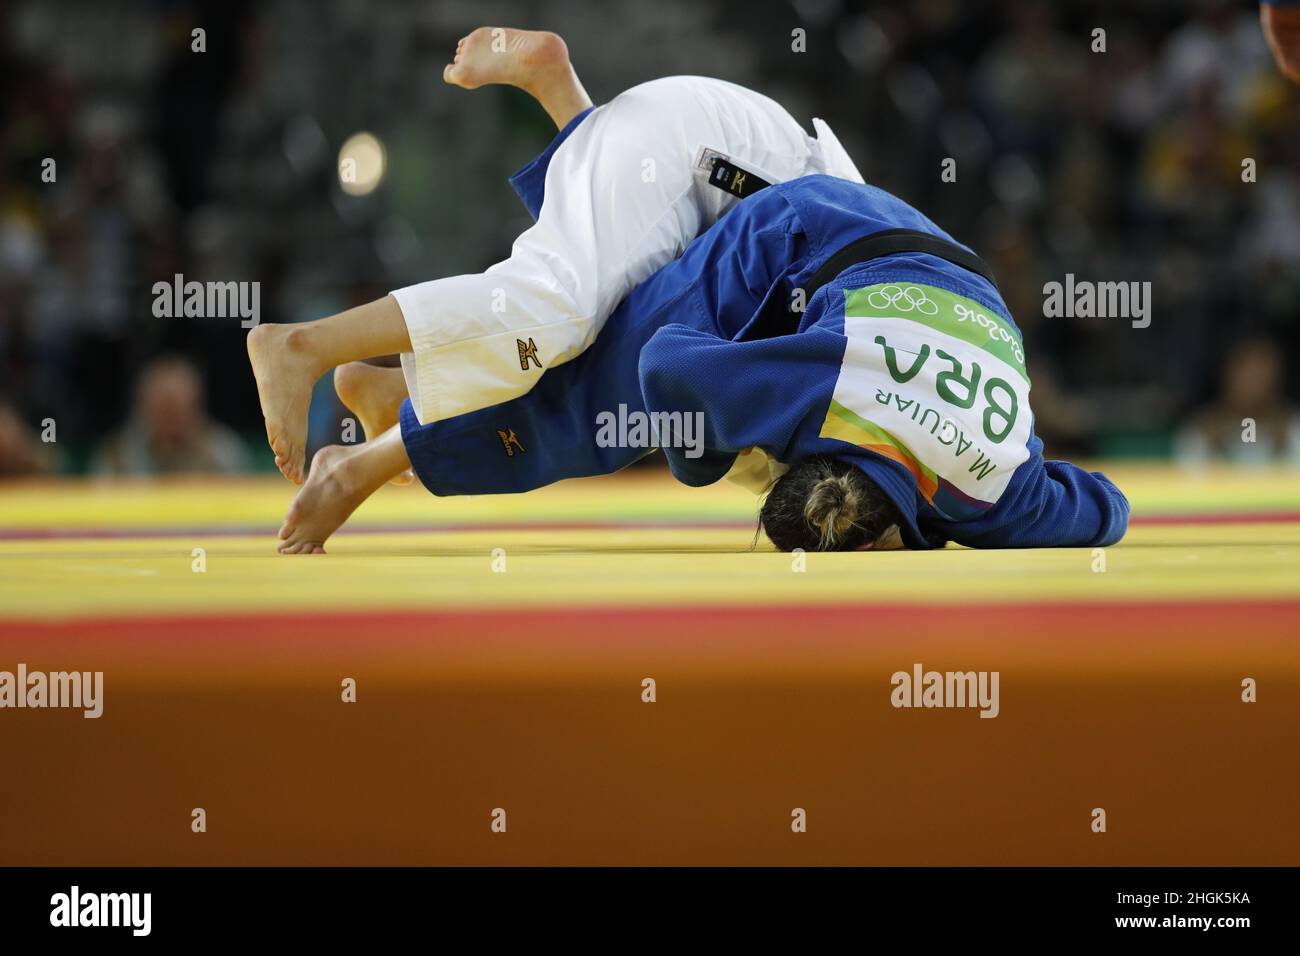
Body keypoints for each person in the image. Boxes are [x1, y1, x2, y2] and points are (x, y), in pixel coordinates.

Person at [251, 27, 1129, 555]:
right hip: (780, 212)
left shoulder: (999, 490)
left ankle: (398, 410)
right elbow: (669, 366)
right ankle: (310, 349)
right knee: (587, 370)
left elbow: (1108, 511)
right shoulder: (827, 396)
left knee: (608, 315)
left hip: (903, 244)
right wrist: (706, 453)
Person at [93, 356, 249, 476]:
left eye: (177, 410)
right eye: (163, 410)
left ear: (196, 408)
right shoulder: (117, 457)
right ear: (143, 407)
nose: (170, 420)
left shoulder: (222, 453)